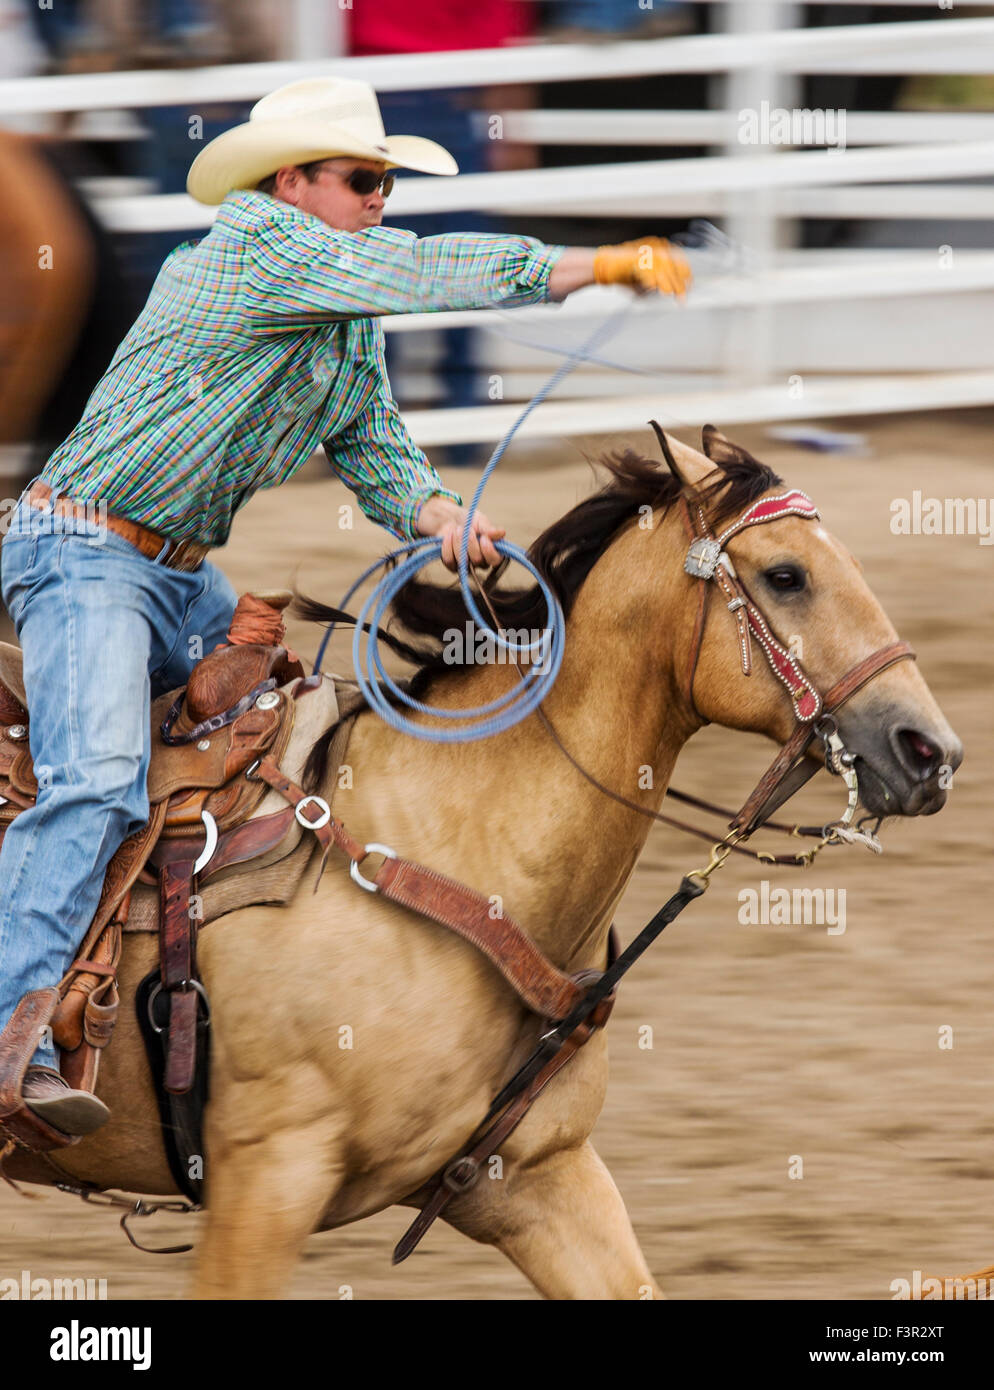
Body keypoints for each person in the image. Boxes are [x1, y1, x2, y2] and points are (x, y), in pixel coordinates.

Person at [0, 76, 691, 1140]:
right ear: (292, 183)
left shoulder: (339, 315)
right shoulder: (254, 245)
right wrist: (586, 264)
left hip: (173, 572)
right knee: (96, 776)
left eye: (386, 181)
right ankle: (15, 1030)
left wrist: (440, 517)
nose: (381, 197)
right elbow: (418, 267)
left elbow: (376, 449)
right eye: (363, 179)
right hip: (82, 550)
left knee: (299, 730)